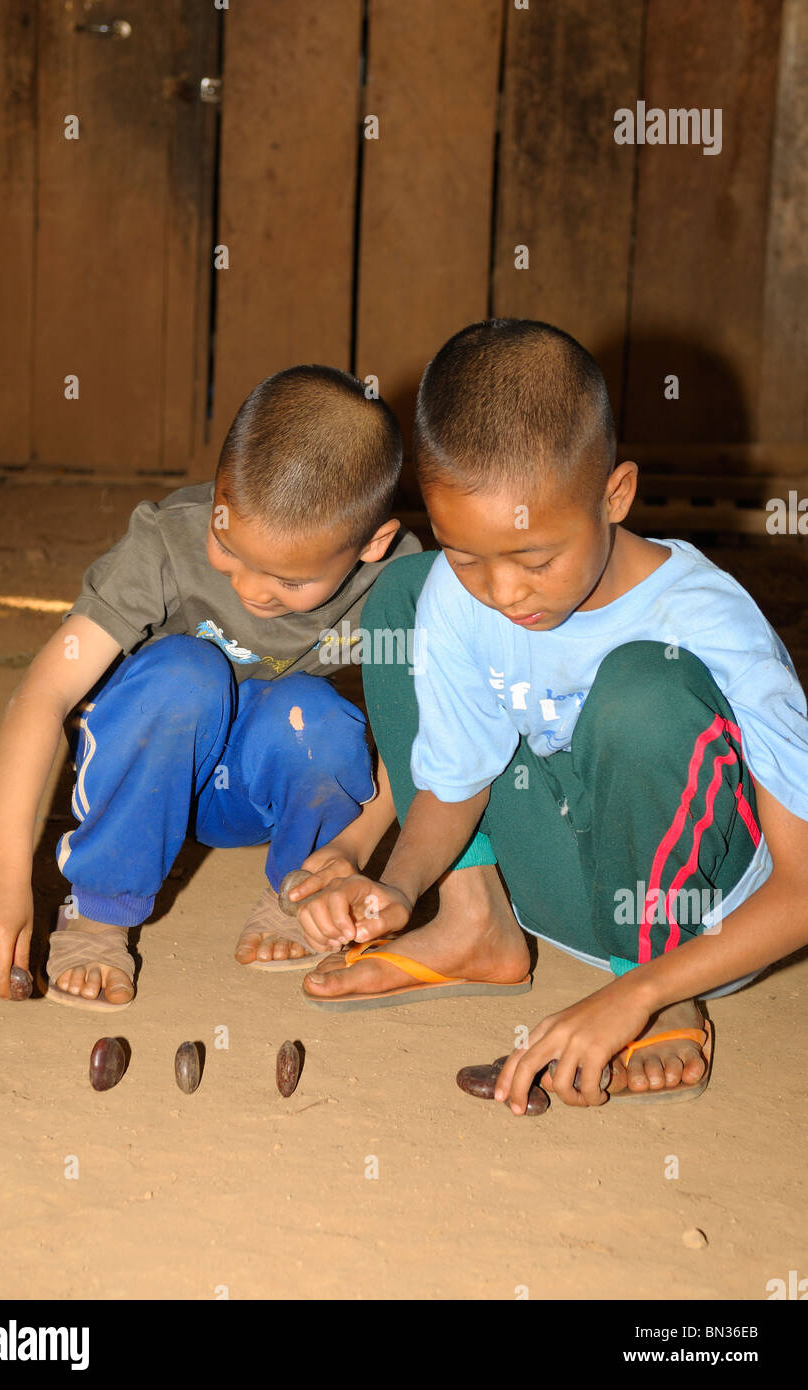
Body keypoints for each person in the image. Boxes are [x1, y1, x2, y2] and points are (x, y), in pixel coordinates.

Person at [290, 319, 808, 1111]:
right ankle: (475, 927)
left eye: (534, 559)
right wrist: (397, 884)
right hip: (570, 878)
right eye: (470, 554)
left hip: (702, 917)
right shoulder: (465, 594)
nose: (502, 593)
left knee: (642, 691)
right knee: (405, 593)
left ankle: (660, 986)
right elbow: (458, 785)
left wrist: (636, 994)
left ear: (616, 494)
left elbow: (804, 886)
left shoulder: (704, 621)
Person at [0, 365, 422, 1008]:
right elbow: (43, 693)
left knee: (316, 715)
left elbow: (422, 732)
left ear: (373, 544)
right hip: (144, 774)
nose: (251, 590)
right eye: (230, 548)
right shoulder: (168, 543)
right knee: (184, 671)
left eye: (287, 581)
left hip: (252, 790)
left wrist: (350, 847)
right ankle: (102, 906)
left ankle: (304, 889)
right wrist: (0, 875)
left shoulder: (398, 584)